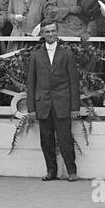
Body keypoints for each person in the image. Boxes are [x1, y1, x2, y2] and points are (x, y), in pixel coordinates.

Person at [24, 18, 82, 181]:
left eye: (53, 31)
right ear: (42, 34)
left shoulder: (67, 54)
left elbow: (73, 82)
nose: (50, 34)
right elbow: (31, 83)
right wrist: (31, 109)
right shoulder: (35, 55)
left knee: (65, 139)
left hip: (62, 103)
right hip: (43, 104)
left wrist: (75, 107)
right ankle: (51, 171)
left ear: (57, 32)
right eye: (47, 31)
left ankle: (72, 171)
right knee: (46, 140)